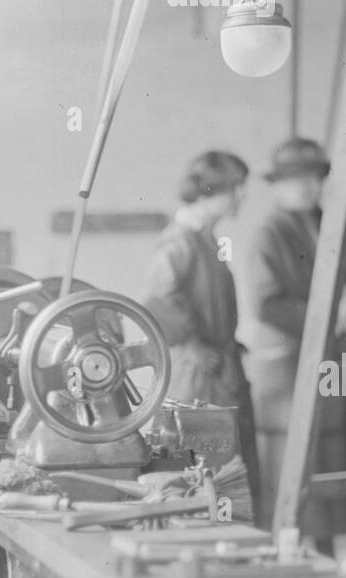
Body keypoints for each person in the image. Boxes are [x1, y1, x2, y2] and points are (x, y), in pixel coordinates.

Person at [244, 137, 346, 551]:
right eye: (297, 179)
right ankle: (297, 548)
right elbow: (267, 305)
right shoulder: (269, 233)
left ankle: (325, 546)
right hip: (291, 364)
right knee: (300, 458)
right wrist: (329, 315)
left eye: (314, 178)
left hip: (332, 358)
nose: (308, 187)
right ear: (277, 185)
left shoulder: (326, 223)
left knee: (337, 451)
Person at [138, 150, 261, 524]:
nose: (242, 196)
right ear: (211, 190)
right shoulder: (179, 241)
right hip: (197, 380)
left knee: (227, 477)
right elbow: (157, 300)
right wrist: (191, 344)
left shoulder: (205, 240)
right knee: (207, 477)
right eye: (235, 188)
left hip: (218, 372)